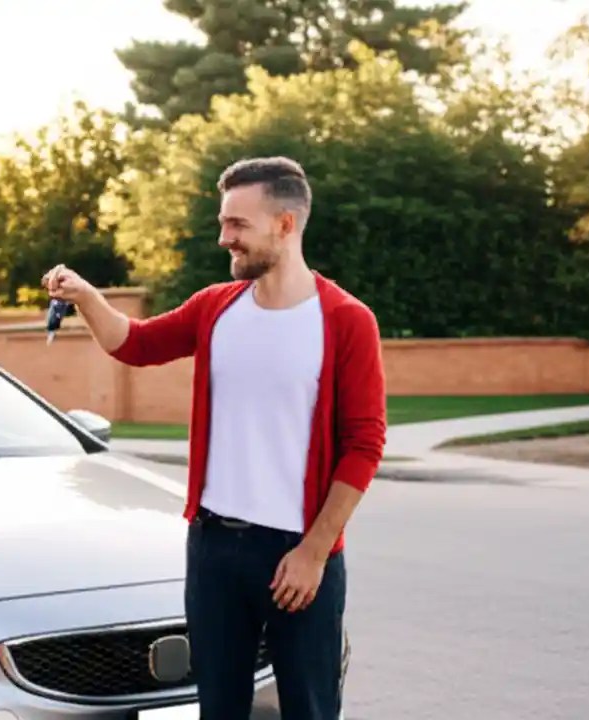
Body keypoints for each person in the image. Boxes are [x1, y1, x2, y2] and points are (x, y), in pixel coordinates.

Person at [42, 156, 385, 720]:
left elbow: (365, 443)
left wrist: (314, 552)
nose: (225, 238)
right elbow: (134, 344)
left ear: (285, 224)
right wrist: (85, 296)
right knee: (217, 710)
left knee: (309, 708)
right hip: (213, 549)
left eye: (238, 225)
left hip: (298, 553)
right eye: (224, 222)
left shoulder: (345, 319)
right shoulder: (216, 307)